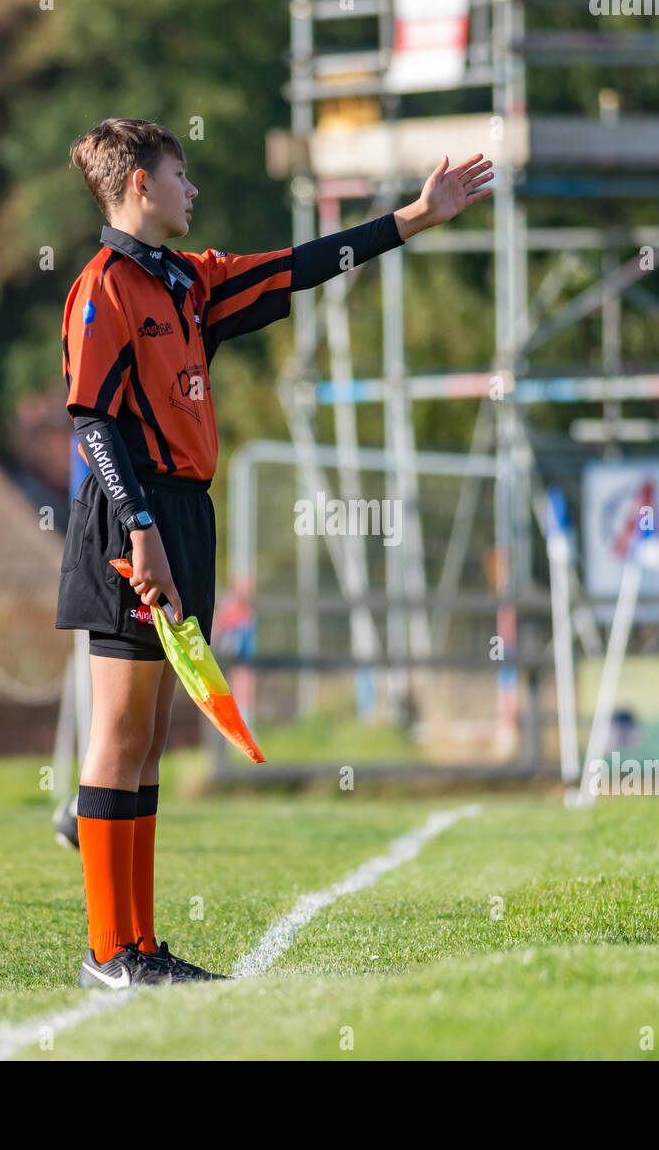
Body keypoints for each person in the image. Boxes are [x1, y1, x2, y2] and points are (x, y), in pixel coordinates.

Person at [57, 117, 493, 988]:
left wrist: (410, 219)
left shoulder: (188, 281)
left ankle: (137, 946)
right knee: (118, 733)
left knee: (149, 741)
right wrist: (140, 530)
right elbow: (92, 423)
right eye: (181, 174)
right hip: (128, 518)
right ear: (140, 184)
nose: (194, 190)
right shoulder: (102, 286)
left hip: (184, 516)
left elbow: (300, 266)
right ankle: (109, 949)